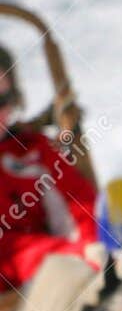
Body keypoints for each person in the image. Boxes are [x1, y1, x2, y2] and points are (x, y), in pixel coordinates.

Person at [0, 42, 102, 295]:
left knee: (76, 255)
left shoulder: (31, 152)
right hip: (18, 256)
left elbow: (78, 203)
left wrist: (91, 248)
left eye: (1, 99)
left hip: (34, 266)